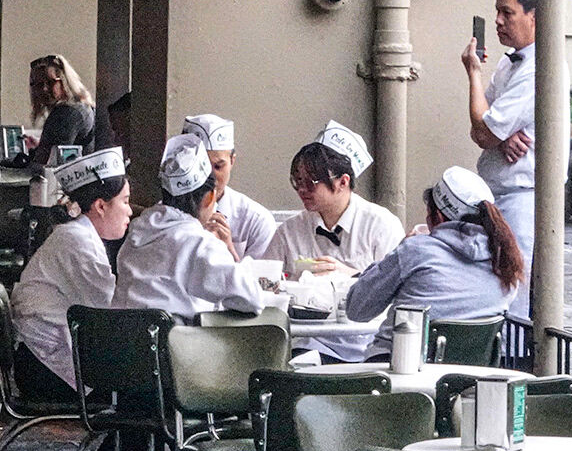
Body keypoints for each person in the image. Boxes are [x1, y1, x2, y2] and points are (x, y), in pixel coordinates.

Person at [344, 166, 525, 361]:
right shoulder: (506, 261)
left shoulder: (415, 250)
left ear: (437, 216)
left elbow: (357, 309)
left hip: (396, 373)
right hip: (468, 378)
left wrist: (396, 253)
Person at [10, 148, 128, 397]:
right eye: (125, 202)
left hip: (41, 361)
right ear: (100, 206)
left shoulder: (76, 235)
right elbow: (111, 310)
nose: (129, 212)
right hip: (44, 371)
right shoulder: (77, 243)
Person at [461, 0, 543, 318]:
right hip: (498, 190)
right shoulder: (508, 65)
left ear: (534, 17)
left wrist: (473, 75)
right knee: (495, 283)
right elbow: (482, 127)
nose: (497, 21)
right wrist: (501, 136)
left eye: (507, 12)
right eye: (497, 11)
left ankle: (513, 365)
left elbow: (481, 130)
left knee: (513, 291)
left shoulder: (538, 68)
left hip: (521, 194)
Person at [113, 133, 264, 320]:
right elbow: (252, 299)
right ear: (210, 198)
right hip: (175, 345)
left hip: (119, 343)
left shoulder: (137, 232)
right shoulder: (199, 243)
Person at [261, 122, 404, 277]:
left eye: (311, 183)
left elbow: (397, 286)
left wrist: (353, 275)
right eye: (297, 181)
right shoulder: (289, 232)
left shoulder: (381, 226)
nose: (302, 190)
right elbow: (264, 280)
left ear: (343, 182)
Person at [181, 113, 278, 260]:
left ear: (232, 161)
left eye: (218, 166)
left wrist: (229, 249)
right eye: (201, 166)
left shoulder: (256, 220)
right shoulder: (166, 218)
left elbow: (261, 280)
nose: (209, 176)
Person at [22, 54, 97, 167]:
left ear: (64, 81)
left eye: (50, 82)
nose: (44, 89)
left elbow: (46, 162)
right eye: (38, 85)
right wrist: (40, 145)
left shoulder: (66, 113)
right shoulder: (83, 107)